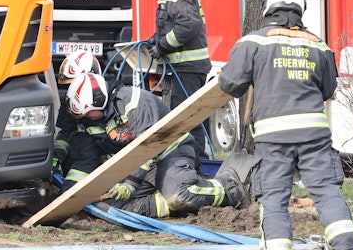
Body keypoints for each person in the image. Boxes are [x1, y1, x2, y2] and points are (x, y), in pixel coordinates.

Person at [218, 0, 353, 250]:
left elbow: (230, 85)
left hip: (273, 140)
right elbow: (329, 88)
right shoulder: (318, 45)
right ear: (300, 7)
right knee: (327, 193)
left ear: (268, 6)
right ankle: (346, 244)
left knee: (274, 200)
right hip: (314, 138)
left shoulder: (253, 42)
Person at [64, 72, 248, 217]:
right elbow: (84, 160)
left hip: (170, 153)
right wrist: (67, 195)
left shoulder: (135, 102)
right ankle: (177, 205)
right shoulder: (92, 121)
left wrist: (130, 183)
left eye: (88, 113)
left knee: (181, 194)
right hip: (141, 167)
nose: (86, 118)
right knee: (108, 205)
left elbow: (148, 146)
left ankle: (229, 189)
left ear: (99, 102)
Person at [140, 0, 212, 155]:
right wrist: (155, 39)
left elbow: (189, 25)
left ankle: (194, 164)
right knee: (189, 117)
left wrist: (162, 46)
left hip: (188, 67)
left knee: (187, 120)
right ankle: (193, 161)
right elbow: (174, 24)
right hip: (187, 68)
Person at [52, 51, 102, 188]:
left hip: (97, 161)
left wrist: (70, 189)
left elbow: (88, 156)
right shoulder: (72, 100)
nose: (72, 90)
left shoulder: (102, 101)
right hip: (80, 153)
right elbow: (65, 133)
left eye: (74, 84)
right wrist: (56, 156)